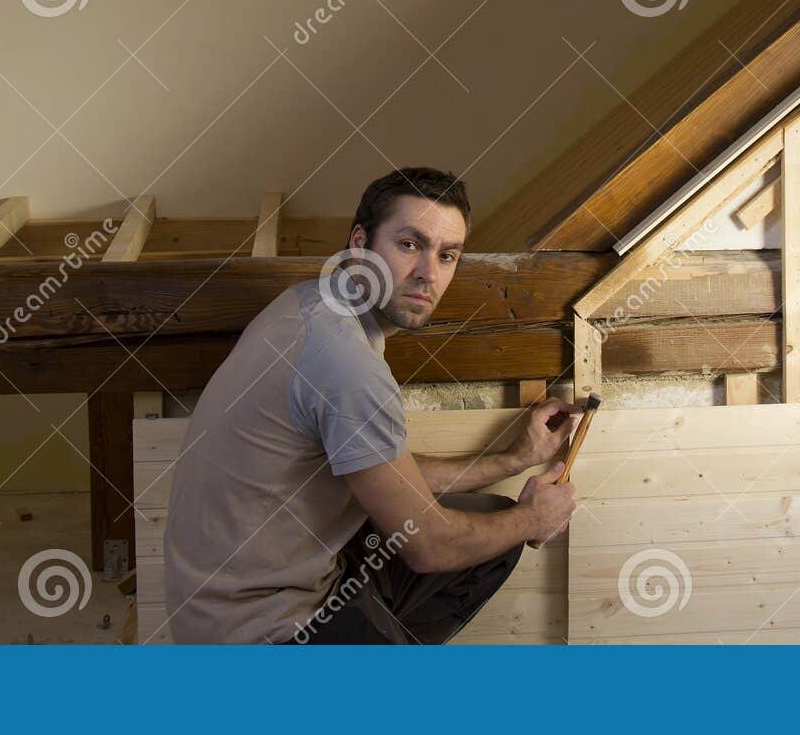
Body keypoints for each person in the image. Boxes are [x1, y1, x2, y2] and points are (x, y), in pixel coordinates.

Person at [163, 166, 580, 644]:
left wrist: (516, 459)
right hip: (259, 636)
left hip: (234, 598)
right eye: (409, 245)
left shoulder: (312, 303)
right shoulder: (345, 362)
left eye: (447, 255)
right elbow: (429, 548)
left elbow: (389, 473)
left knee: (485, 527)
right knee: (475, 535)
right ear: (359, 243)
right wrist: (533, 519)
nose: (428, 272)